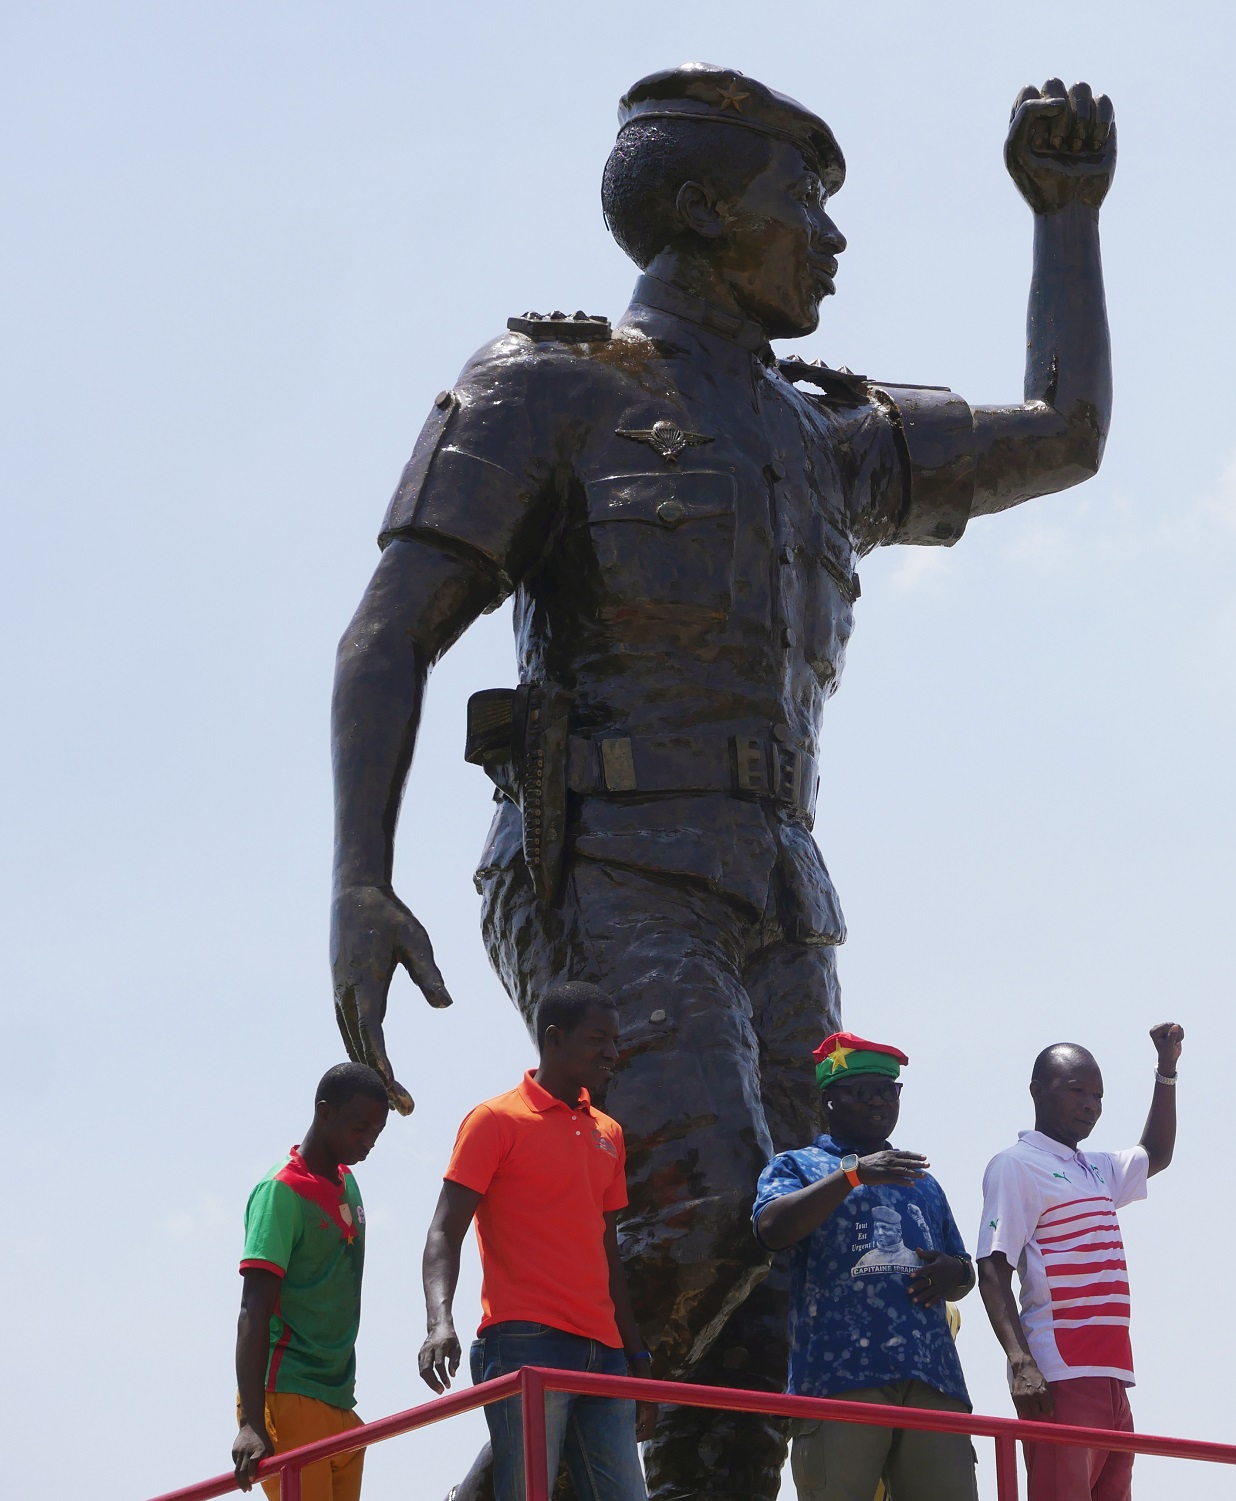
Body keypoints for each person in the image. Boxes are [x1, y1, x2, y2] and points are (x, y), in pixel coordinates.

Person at [327, 64, 1118, 1499]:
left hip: (776, 889)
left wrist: (1066, 220)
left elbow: (1064, 435)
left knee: (790, 1252)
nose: (830, 236)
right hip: (612, 862)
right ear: (700, 211)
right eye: (800, 202)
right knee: (703, 1215)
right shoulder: (552, 385)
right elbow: (390, 632)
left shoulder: (823, 435)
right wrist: (358, 877)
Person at [416, 982, 653, 1501]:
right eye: (598, 1039)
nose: (613, 1052)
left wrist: (636, 1354)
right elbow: (444, 1229)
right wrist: (440, 1322)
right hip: (525, 1342)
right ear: (553, 1039)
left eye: (615, 1040)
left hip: (606, 1350)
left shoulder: (608, 1132)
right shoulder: (494, 1120)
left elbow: (606, 1249)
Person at [752, 1033, 978, 1501]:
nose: (877, 1099)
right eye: (860, 1090)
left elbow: (964, 1269)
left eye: (887, 1090)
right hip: (842, 1381)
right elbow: (771, 1229)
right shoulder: (797, 1166)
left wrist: (952, 1272)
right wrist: (852, 1175)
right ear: (828, 1100)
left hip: (932, 1380)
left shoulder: (923, 1180)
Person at [976, 1025, 1184, 1501]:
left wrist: (1166, 1071)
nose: (1091, 1104)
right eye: (1077, 1091)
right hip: (1061, 1374)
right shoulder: (1016, 1164)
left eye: (1098, 1095)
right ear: (1037, 1091)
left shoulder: (1094, 1167)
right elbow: (992, 1269)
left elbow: (1157, 1154)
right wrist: (1020, 1362)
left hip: (1112, 1375)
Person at [232, 1063, 392, 1499]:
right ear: (324, 1113)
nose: (369, 1141)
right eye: (361, 1128)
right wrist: (250, 1422)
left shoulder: (348, 1184)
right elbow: (253, 1308)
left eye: (377, 1131)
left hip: (340, 1397)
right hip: (288, 1395)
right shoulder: (280, 1192)